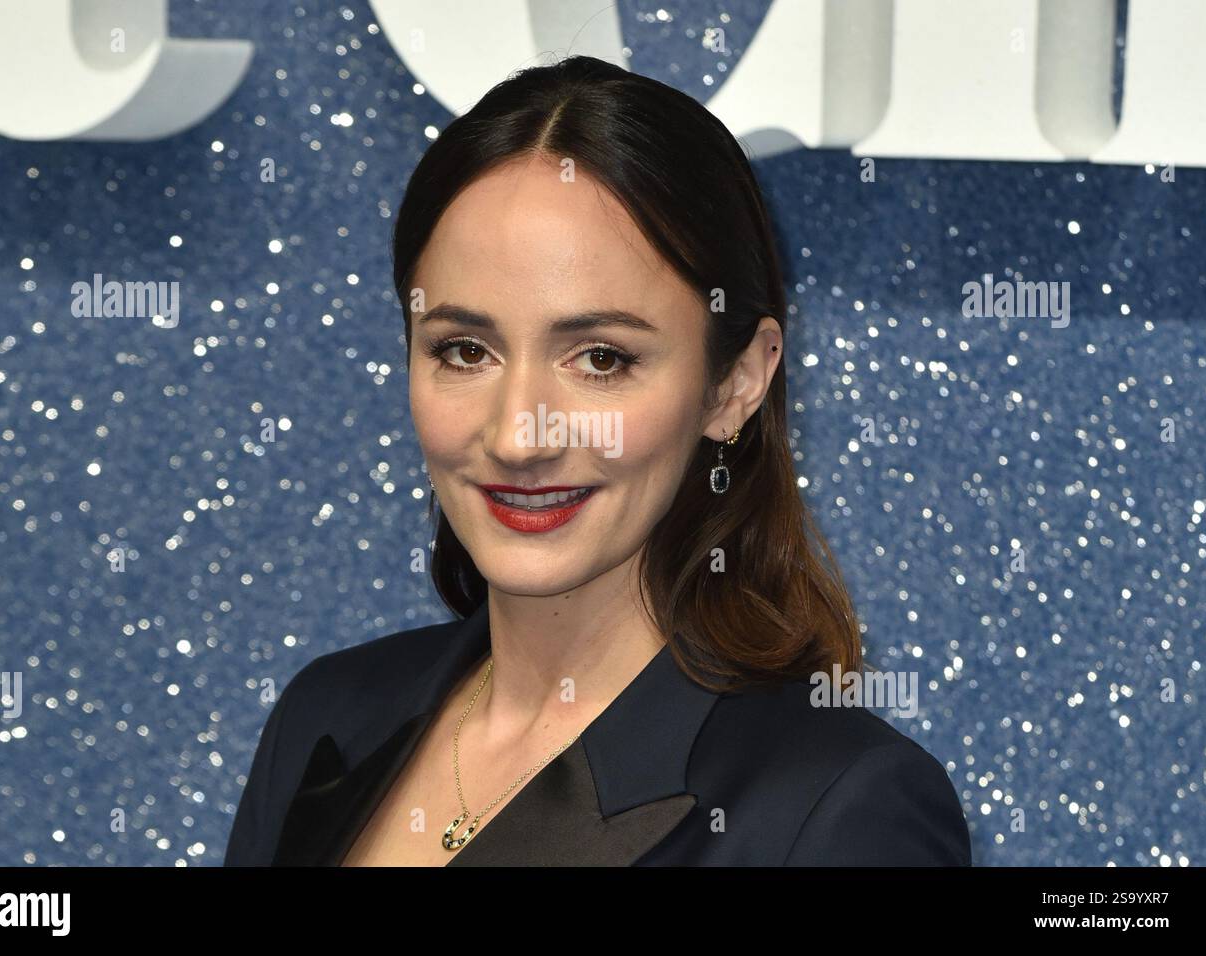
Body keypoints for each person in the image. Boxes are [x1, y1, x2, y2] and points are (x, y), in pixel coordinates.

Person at [224, 54, 971, 867]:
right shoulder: (325, 717)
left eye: (602, 359)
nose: (519, 436)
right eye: (465, 350)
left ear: (735, 383)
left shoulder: (836, 810)